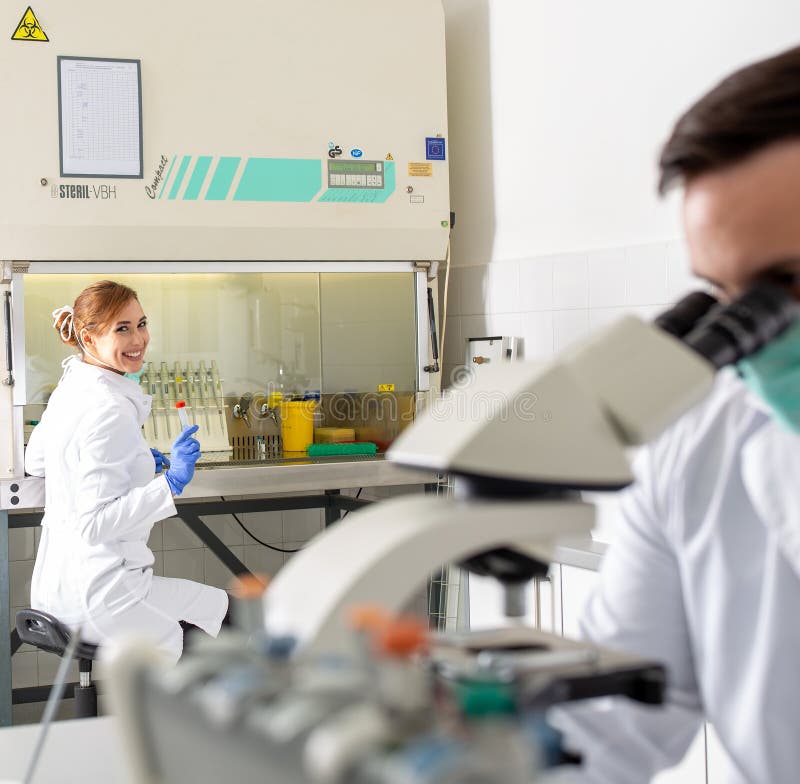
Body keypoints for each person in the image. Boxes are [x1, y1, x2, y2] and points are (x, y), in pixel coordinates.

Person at [552, 46, 800, 782]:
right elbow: (609, 724)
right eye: (725, 297)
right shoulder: (702, 436)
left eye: (783, 284)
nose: (758, 337)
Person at [25, 280, 229, 663]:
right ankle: (174, 721)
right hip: (103, 596)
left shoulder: (74, 386)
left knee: (218, 610)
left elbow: (36, 460)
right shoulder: (109, 406)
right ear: (88, 337)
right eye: (122, 328)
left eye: (141, 323)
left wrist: (132, 461)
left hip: (56, 589)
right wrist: (168, 484)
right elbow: (93, 525)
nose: (139, 338)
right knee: (229, 627)